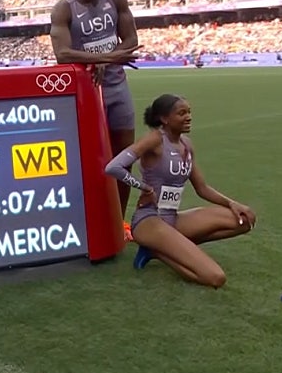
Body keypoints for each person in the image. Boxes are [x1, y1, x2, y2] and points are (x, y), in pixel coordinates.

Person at [104, 94, 256, 288]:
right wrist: (145, 188)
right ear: (164, 119)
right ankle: (157, 251)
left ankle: (163, 248)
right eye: (181, 113)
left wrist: (232, 203)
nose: (188, 117)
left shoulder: (186, 144)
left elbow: (202, 188)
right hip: (150, 220)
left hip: (173, 219)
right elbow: (113, 167)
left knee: (245, 221)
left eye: (189, 112)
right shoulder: (154, 140)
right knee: (215, 278)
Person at [49, 0, 141, 222]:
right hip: (86, 94)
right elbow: (62, 54)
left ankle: (119, 223)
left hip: (117, 89)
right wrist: (104, 57)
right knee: (90, 163)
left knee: (124, 160)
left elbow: (131, 41)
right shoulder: (64, 9)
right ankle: (88, 222)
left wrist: (104, 59)